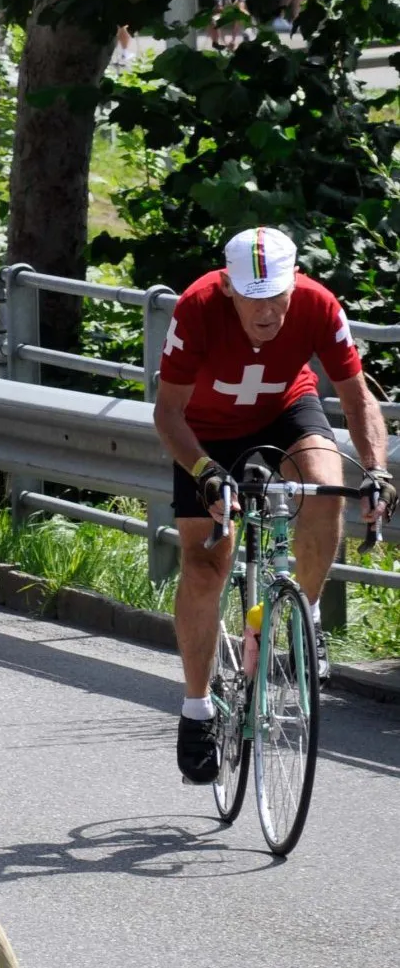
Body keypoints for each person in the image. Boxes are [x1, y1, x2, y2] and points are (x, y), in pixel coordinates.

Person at [157, 228, 394, 778]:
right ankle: (196, 708)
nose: (267, 312)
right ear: (227, 287)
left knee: (326, 488)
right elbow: (167, 413)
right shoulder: (196, 308)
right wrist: (205, 473)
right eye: (252, 297)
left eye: (278, 297)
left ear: (295, 283)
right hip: (205, 431)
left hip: (286, 408)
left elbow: (357, 398)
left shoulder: (318, 304)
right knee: (205, 564)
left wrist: (377, 469)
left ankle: (303, 613)